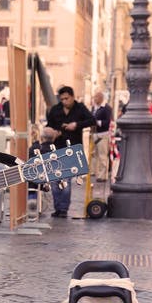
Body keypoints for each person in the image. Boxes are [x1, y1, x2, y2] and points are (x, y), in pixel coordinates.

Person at [45, 85, 94, 217]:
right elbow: (48, 125)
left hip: (72, 149)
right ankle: (57, 208)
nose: (64, 101)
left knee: (66, 181)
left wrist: (76, 125)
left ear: (72, 97)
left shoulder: (80, 108)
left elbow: (92, 120)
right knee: (55, 181)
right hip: (56, 148)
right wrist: (53, 132)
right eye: (62, 99)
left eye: (66, 98)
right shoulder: (55, 110)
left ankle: (64, 209)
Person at [90, 90, 113, 182]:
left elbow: (108, 121)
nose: (94, 99)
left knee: (102, 155)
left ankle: (103, 175)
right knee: (94, 154)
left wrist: (97, 122)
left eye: (96, 97)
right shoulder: (94, 108)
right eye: (94, 97)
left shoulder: (107, 108)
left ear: (101, 98)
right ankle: (94, 172)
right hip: (94, 133)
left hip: (103, 134)